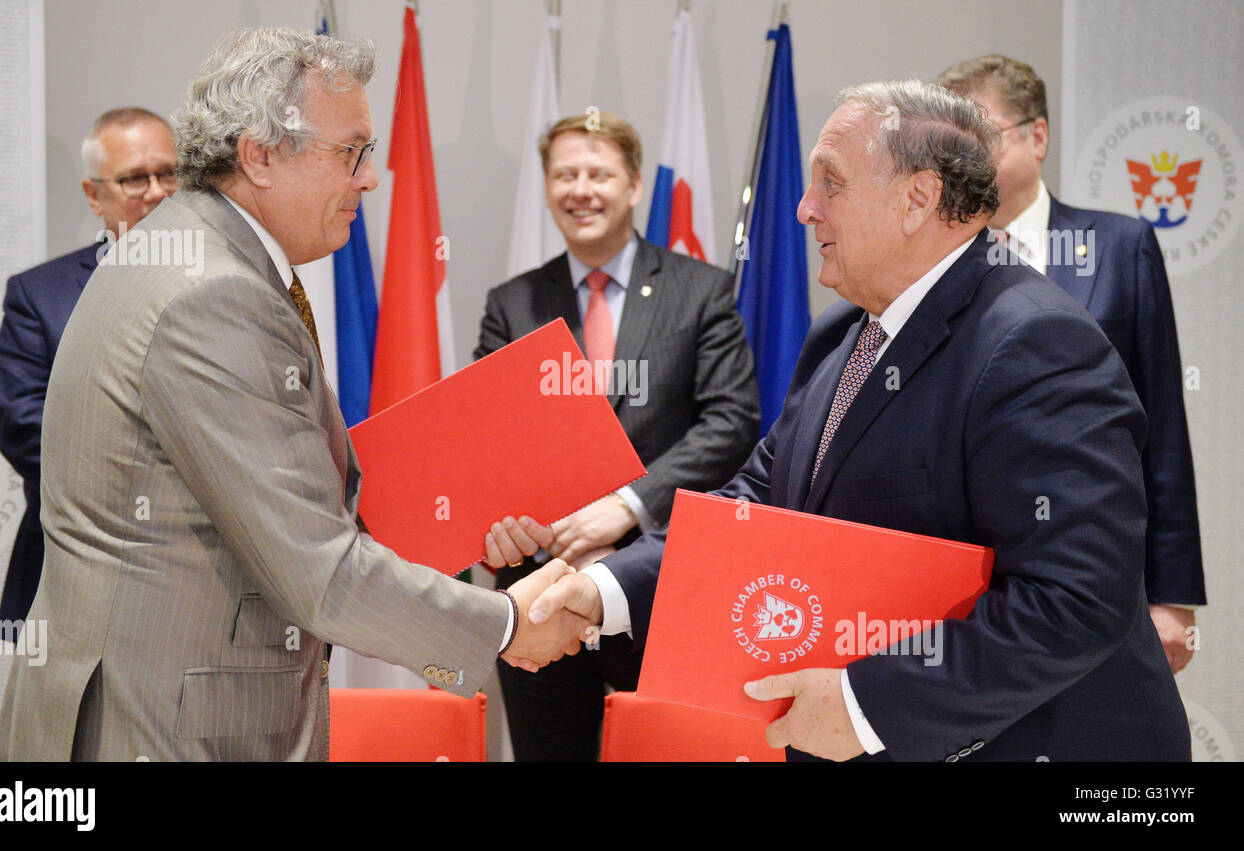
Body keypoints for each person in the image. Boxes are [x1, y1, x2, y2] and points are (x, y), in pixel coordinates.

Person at [528, 80, 1191, 761]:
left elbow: (1076, 599)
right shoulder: (845, 330)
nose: (805, 208)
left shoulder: (1036, 341)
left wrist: (865, 701)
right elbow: (755, 506)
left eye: (831, 183)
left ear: (919, 199)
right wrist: (600, 590)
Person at [0, 27, 585, 762]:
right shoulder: (213, 293)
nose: (370, 178)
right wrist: (504, 622)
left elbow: (272, 492)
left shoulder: (189, 250)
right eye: (352, 151)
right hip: (160, 726)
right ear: (260, 154)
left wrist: (457, 507)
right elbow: (319, 570)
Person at [475, 112, 760, 760]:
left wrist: (626, 505)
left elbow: (732, 420)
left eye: (598, 174)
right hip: (540, 587)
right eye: (564, 174)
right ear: (546, 188)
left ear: (634, 186)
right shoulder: (511, 303)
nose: (581, 189)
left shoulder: (703, 290)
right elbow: (492, 442)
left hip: (662, 581)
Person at [936, 55, 1204, 673]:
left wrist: (1172, 592)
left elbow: (1162, 426)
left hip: (1099, 576)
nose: (964, 159)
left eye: (983, 136)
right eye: (951, 143)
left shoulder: (1118, 247)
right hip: (962, 585)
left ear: (1038, 136)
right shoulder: (932, 265)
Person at [0, 107, 177, 628]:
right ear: (94, 194)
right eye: (136, 178)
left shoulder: (234, 282)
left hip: (201, 584)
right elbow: (24, 426)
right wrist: (161, 485)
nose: (159, 191)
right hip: (73, 572)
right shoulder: (40, 295)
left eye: (170, 173)